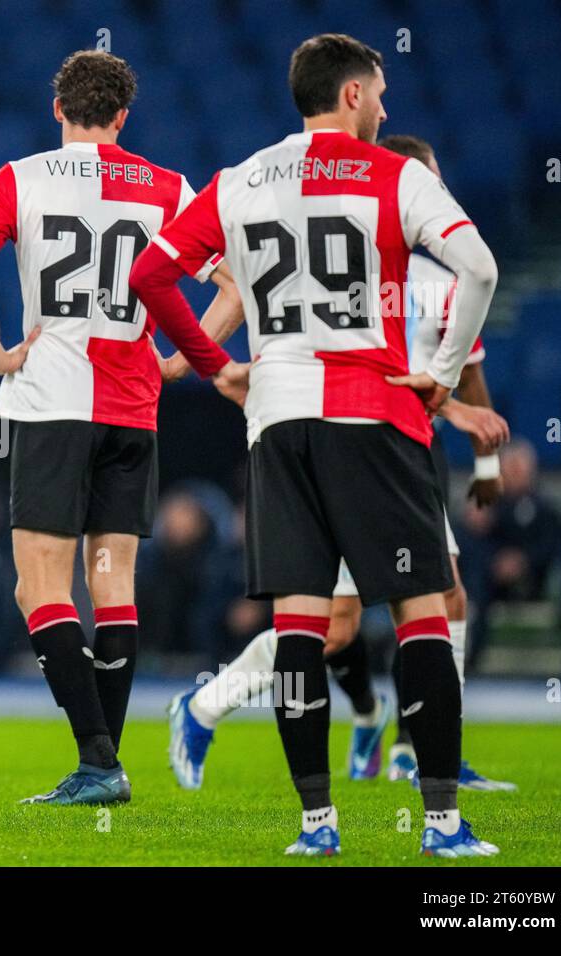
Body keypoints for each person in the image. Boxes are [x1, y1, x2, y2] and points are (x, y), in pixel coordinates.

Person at [129, 34, 500, 857]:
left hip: (278, 415)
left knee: (301, 624)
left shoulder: (239, 179)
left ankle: (316, 828)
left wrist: (215, 365)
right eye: (381, 94)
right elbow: (479, 270)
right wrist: (439, 376)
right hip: (374, 414)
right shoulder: (399, 175)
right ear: (355, 95)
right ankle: (440, 824)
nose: (387, 109)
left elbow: (152, 278)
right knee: (421, 616)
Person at [168, 135, 516, 794]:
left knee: (441, 599)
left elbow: (463, 370)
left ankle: (423, 750)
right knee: (335, 624)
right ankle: (208, 705)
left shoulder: (442, 284)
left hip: (403, 452)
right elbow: (364, 371)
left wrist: (485, 461)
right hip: (355, 445)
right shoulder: (354, 265)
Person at [0, 49, 244, 805]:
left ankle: (97, 758)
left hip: (52, 402)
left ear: (58, 110)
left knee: (39, 588)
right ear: (121, 117)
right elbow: (238, 280)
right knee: (112, 586)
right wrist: (186, 357)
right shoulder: (170, 188)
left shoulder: (20, 178)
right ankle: (101, 767)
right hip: (133, 407)